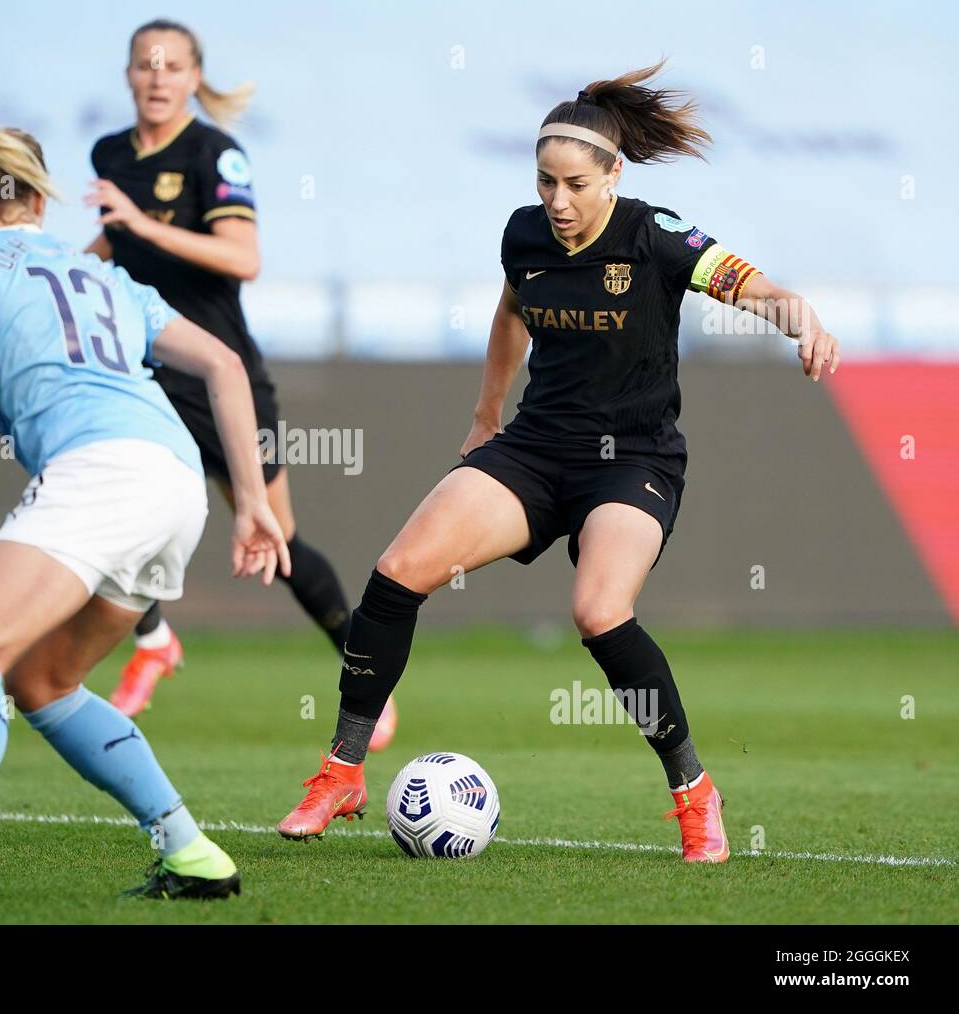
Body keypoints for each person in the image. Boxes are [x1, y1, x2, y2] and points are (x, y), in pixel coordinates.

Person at [275, 63, 840, 863]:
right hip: (536, 450)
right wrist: (484, 416)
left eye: (575, 183)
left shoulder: (656, 233)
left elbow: (744, 281)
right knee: (399, 570)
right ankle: (341, 771)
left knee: (599, 611)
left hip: (634, 460)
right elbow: (513, 309)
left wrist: (802, 319)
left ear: (614, 173)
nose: (558, 201)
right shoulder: (524, 234)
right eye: (546, 182)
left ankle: (694, 794)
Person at [0, 127, 289, 903]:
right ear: (40, 200)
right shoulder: (102, 274)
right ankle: (190, 851)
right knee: (43, 678)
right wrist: (251, 501)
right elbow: (222, 362)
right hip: (176, 482)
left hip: (100, 472)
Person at [79, 18, 397, 749]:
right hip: (140, 367)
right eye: (145, 65)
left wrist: (142, 226)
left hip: (219, 374)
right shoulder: (108, 155)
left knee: (277, 538)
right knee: (112, 502)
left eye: (173, 66)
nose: (158, 78)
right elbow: (110, 243)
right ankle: (153, 638)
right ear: (128, 75)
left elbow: (243, 257)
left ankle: (365, 679)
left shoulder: (215, 153)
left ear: (194, 77)